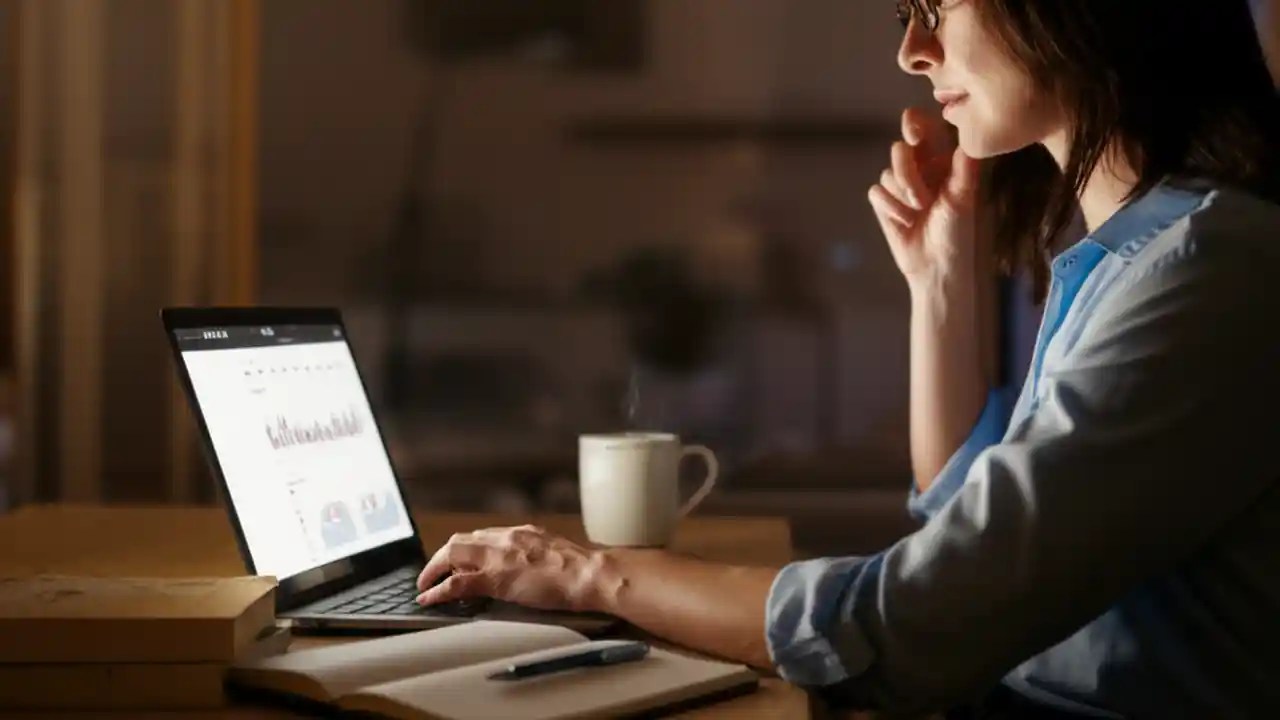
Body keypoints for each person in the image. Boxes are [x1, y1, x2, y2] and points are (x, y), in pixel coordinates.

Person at [414, 1, 1280, 716]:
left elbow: (917, 621)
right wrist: (942, 284)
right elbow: (971, 542)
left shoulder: (1209, 269)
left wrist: (587, 572)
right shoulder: (1135, 255)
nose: (913, 50)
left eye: (937, 6)